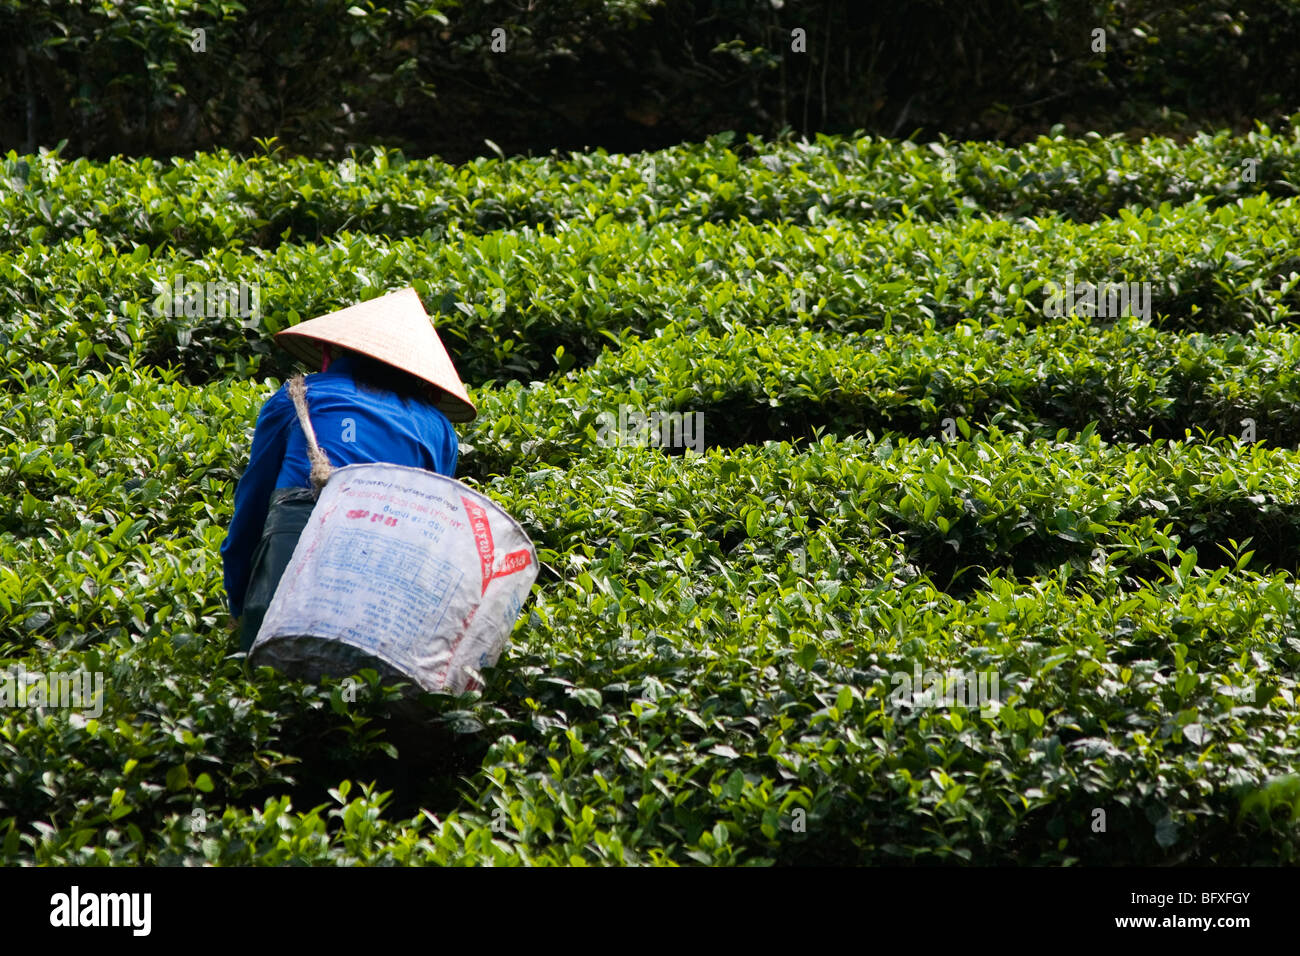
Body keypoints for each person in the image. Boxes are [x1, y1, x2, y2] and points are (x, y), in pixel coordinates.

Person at [221, 287, 477, 653]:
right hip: (385, 588)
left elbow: (252, 507)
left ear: (328, 352)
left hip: (289, 559)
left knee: (271, 682)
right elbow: (429, 532)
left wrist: (239, 606)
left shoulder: (301, 394)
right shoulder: (440, 431)